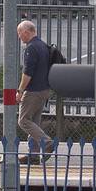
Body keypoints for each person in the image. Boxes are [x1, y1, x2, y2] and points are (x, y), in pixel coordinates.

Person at [16, 20, 56, 163]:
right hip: (45, 90)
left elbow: (27, 73)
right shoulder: (43, 46)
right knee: (34, 122)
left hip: (33, 91)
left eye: (19, 34)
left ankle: (47, 143)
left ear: (26, 32)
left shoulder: (31, 48)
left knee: (23, 121)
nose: (19, 37)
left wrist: (20, 91)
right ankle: (33, 155)